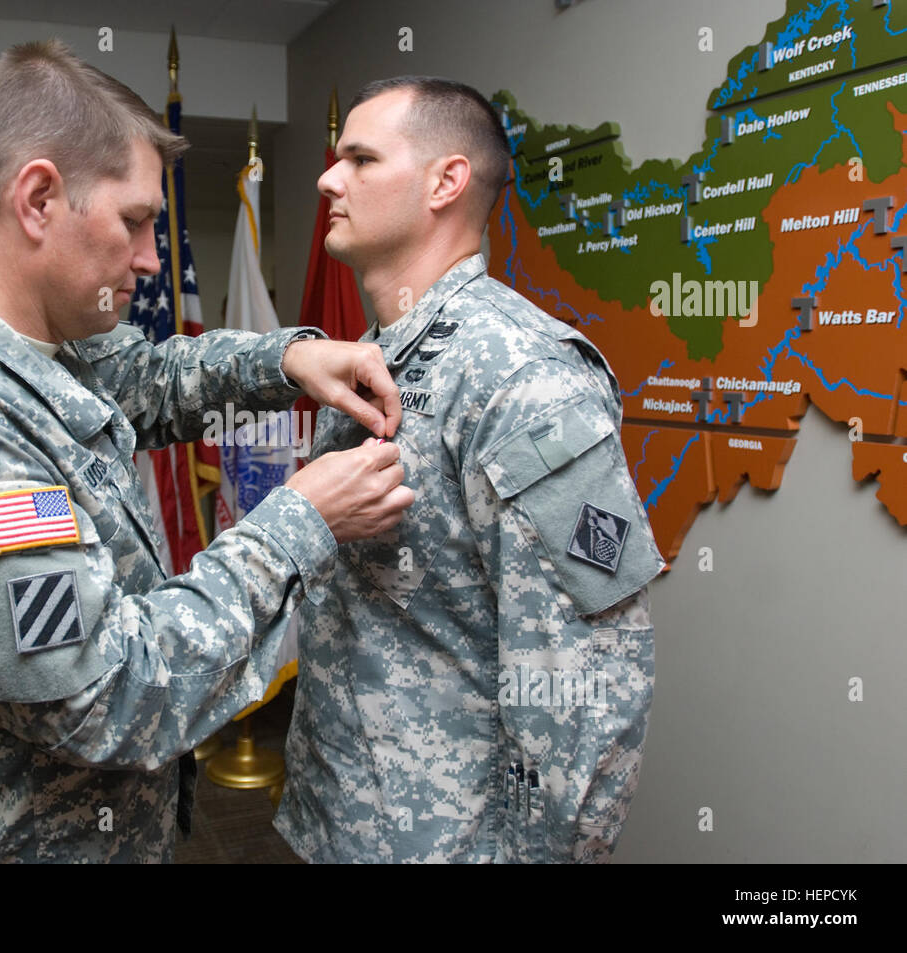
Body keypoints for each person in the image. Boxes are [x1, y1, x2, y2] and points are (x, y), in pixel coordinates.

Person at [0, 39, 411, 864]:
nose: (147, 258)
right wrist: (301, 521)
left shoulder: (26, 353)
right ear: (38, 200)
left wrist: (287, 360)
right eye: (136, 220)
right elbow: (109, 695)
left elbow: (145, 376)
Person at [273, 76, 666, 863]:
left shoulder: (521, 375)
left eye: (359, 157)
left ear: (445, 182)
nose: (326, 178)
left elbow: (589, 686)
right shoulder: (369, 358)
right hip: (340, 815)